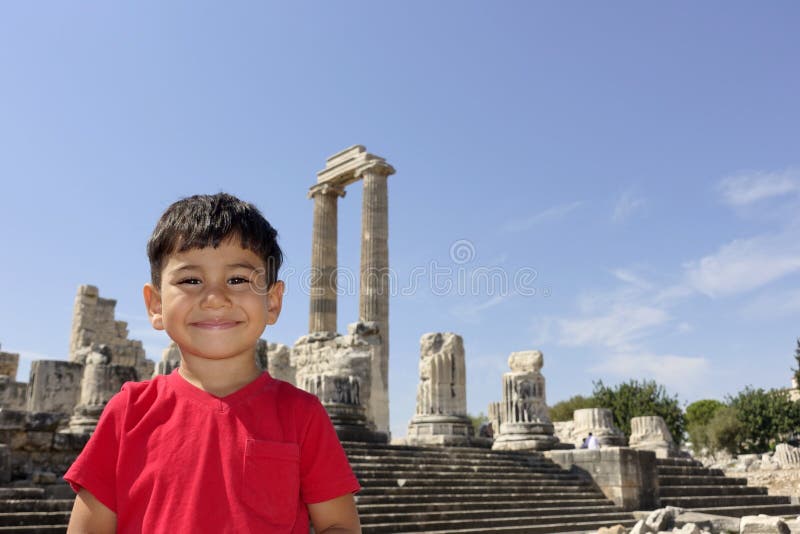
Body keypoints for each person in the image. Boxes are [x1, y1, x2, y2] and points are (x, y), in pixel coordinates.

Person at [64, 193, 361, 534]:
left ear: (273, 302)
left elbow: (338, 524)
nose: (216, 297)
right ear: (156, 305)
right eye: (191, 280)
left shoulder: (302, 414)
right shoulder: (127, 411)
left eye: (238, 280)